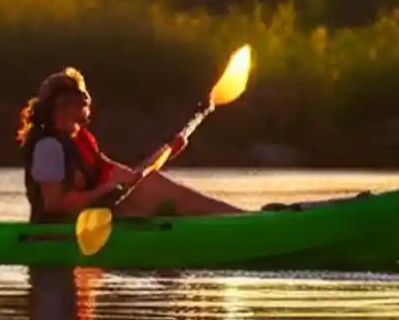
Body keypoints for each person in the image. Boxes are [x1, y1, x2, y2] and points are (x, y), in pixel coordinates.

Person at [16, 68, 242, 222]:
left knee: (150, 184)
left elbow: (132, 179)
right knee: (149, 191)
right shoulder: (49, 147)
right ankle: (239, 221)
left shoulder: (81, 142)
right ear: (64, 106)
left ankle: (237, 218)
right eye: (81, 101)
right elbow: (54, 206)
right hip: (58, 231)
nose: (87, 106)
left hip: (96, 217)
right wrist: (101, 192)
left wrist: (167, 151)